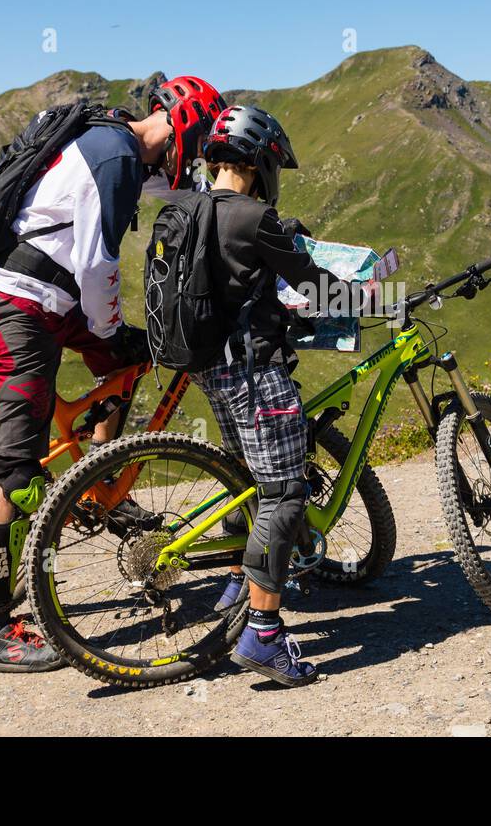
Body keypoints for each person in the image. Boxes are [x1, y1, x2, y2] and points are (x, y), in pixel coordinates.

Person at [0, 76, 225, 672]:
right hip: (24, 308)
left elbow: (169, 186)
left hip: (51, 301)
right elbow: (98, 265)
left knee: (131, 359)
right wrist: (109, 330)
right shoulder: (112, 159)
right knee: (14, 467)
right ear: (184, 124)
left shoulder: (120, 147)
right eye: (202, 137)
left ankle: (97, 485)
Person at [192, 104, 373, 686]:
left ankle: (234, 588)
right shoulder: (254, 217)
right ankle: (265, 636)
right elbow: (314, 282)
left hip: (209, 372)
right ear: (261, 161)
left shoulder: (181, 210)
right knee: (283, 492)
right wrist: (369, 299)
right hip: (255, 374)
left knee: (250, 478)